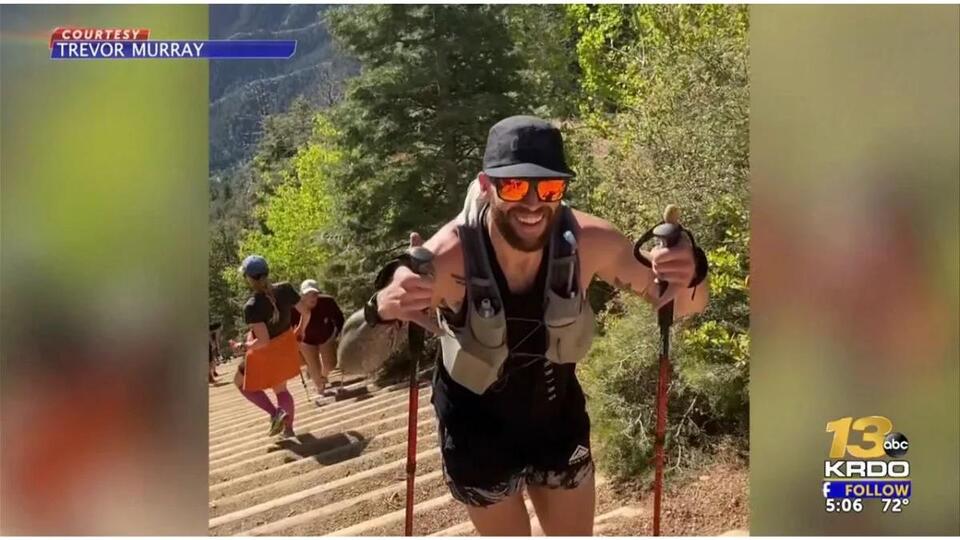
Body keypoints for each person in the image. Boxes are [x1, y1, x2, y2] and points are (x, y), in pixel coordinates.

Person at [338, 116, 709, 535]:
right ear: (485, 184)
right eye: (514, 186)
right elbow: (351, 362)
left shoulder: (593, 243)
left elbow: (682, 308)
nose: (533, 204)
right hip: (473, 427)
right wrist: (380, 308)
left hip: (557, 417)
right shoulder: (446, 261)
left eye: (548, 188)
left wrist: (691, 272)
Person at [236, 255, 309, 438]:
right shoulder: (285, 289)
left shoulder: (252, 306)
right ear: (267, 272)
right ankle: (288, 429)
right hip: (285, 345)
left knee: (240, 383)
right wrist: (300, 329)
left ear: (249, 278)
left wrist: (244, 346)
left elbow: (263, 341)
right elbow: (306, 312)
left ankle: (275, 413)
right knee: (281, 390)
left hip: (265, 353)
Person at [295, 279, 346, 405]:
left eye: (315, 294)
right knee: (314, 370)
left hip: (326, 336)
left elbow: (339, 318)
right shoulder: (294, 308)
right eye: (308, 294)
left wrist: (340, 333)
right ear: (302, 295)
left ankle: (322, 376)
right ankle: (320, 388)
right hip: (306, 341)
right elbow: (289, 326)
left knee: (330, 364)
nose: (312, 297)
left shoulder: (327, 302)